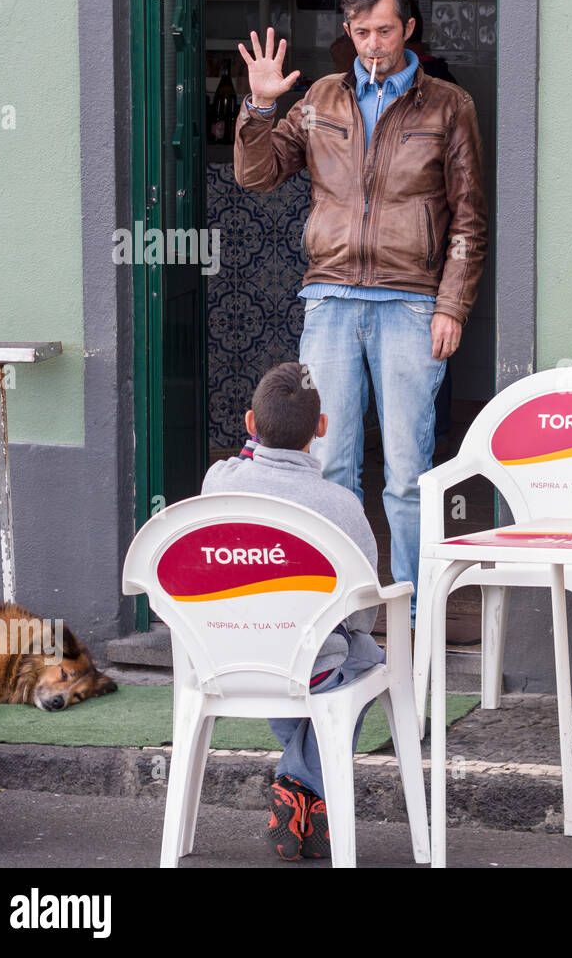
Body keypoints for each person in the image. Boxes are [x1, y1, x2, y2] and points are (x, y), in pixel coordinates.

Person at [234, 0, 486, 627]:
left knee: (407, 469)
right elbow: (258, 175)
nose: (372, 43)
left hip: (409, 303)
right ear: (348, 32)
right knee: (328, 463)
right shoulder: (320, 99)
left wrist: (452, 306)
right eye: (360, 31)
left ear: (408, 31)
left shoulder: (448, 105)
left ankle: (414, 617)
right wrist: (259, 110)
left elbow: (468, 217)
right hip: (330, 298)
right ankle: (343, 611)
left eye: (384, 30)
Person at [202, 363, 383, 861]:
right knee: (363, 654)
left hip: (226, 658)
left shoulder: (217, 483)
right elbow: (362, 611)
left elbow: (244, 460)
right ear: (322, 427)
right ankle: (307, 785)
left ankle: (299, 789)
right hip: (309, 668)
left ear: (249, 424)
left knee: (299, 655)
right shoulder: (341, 506)